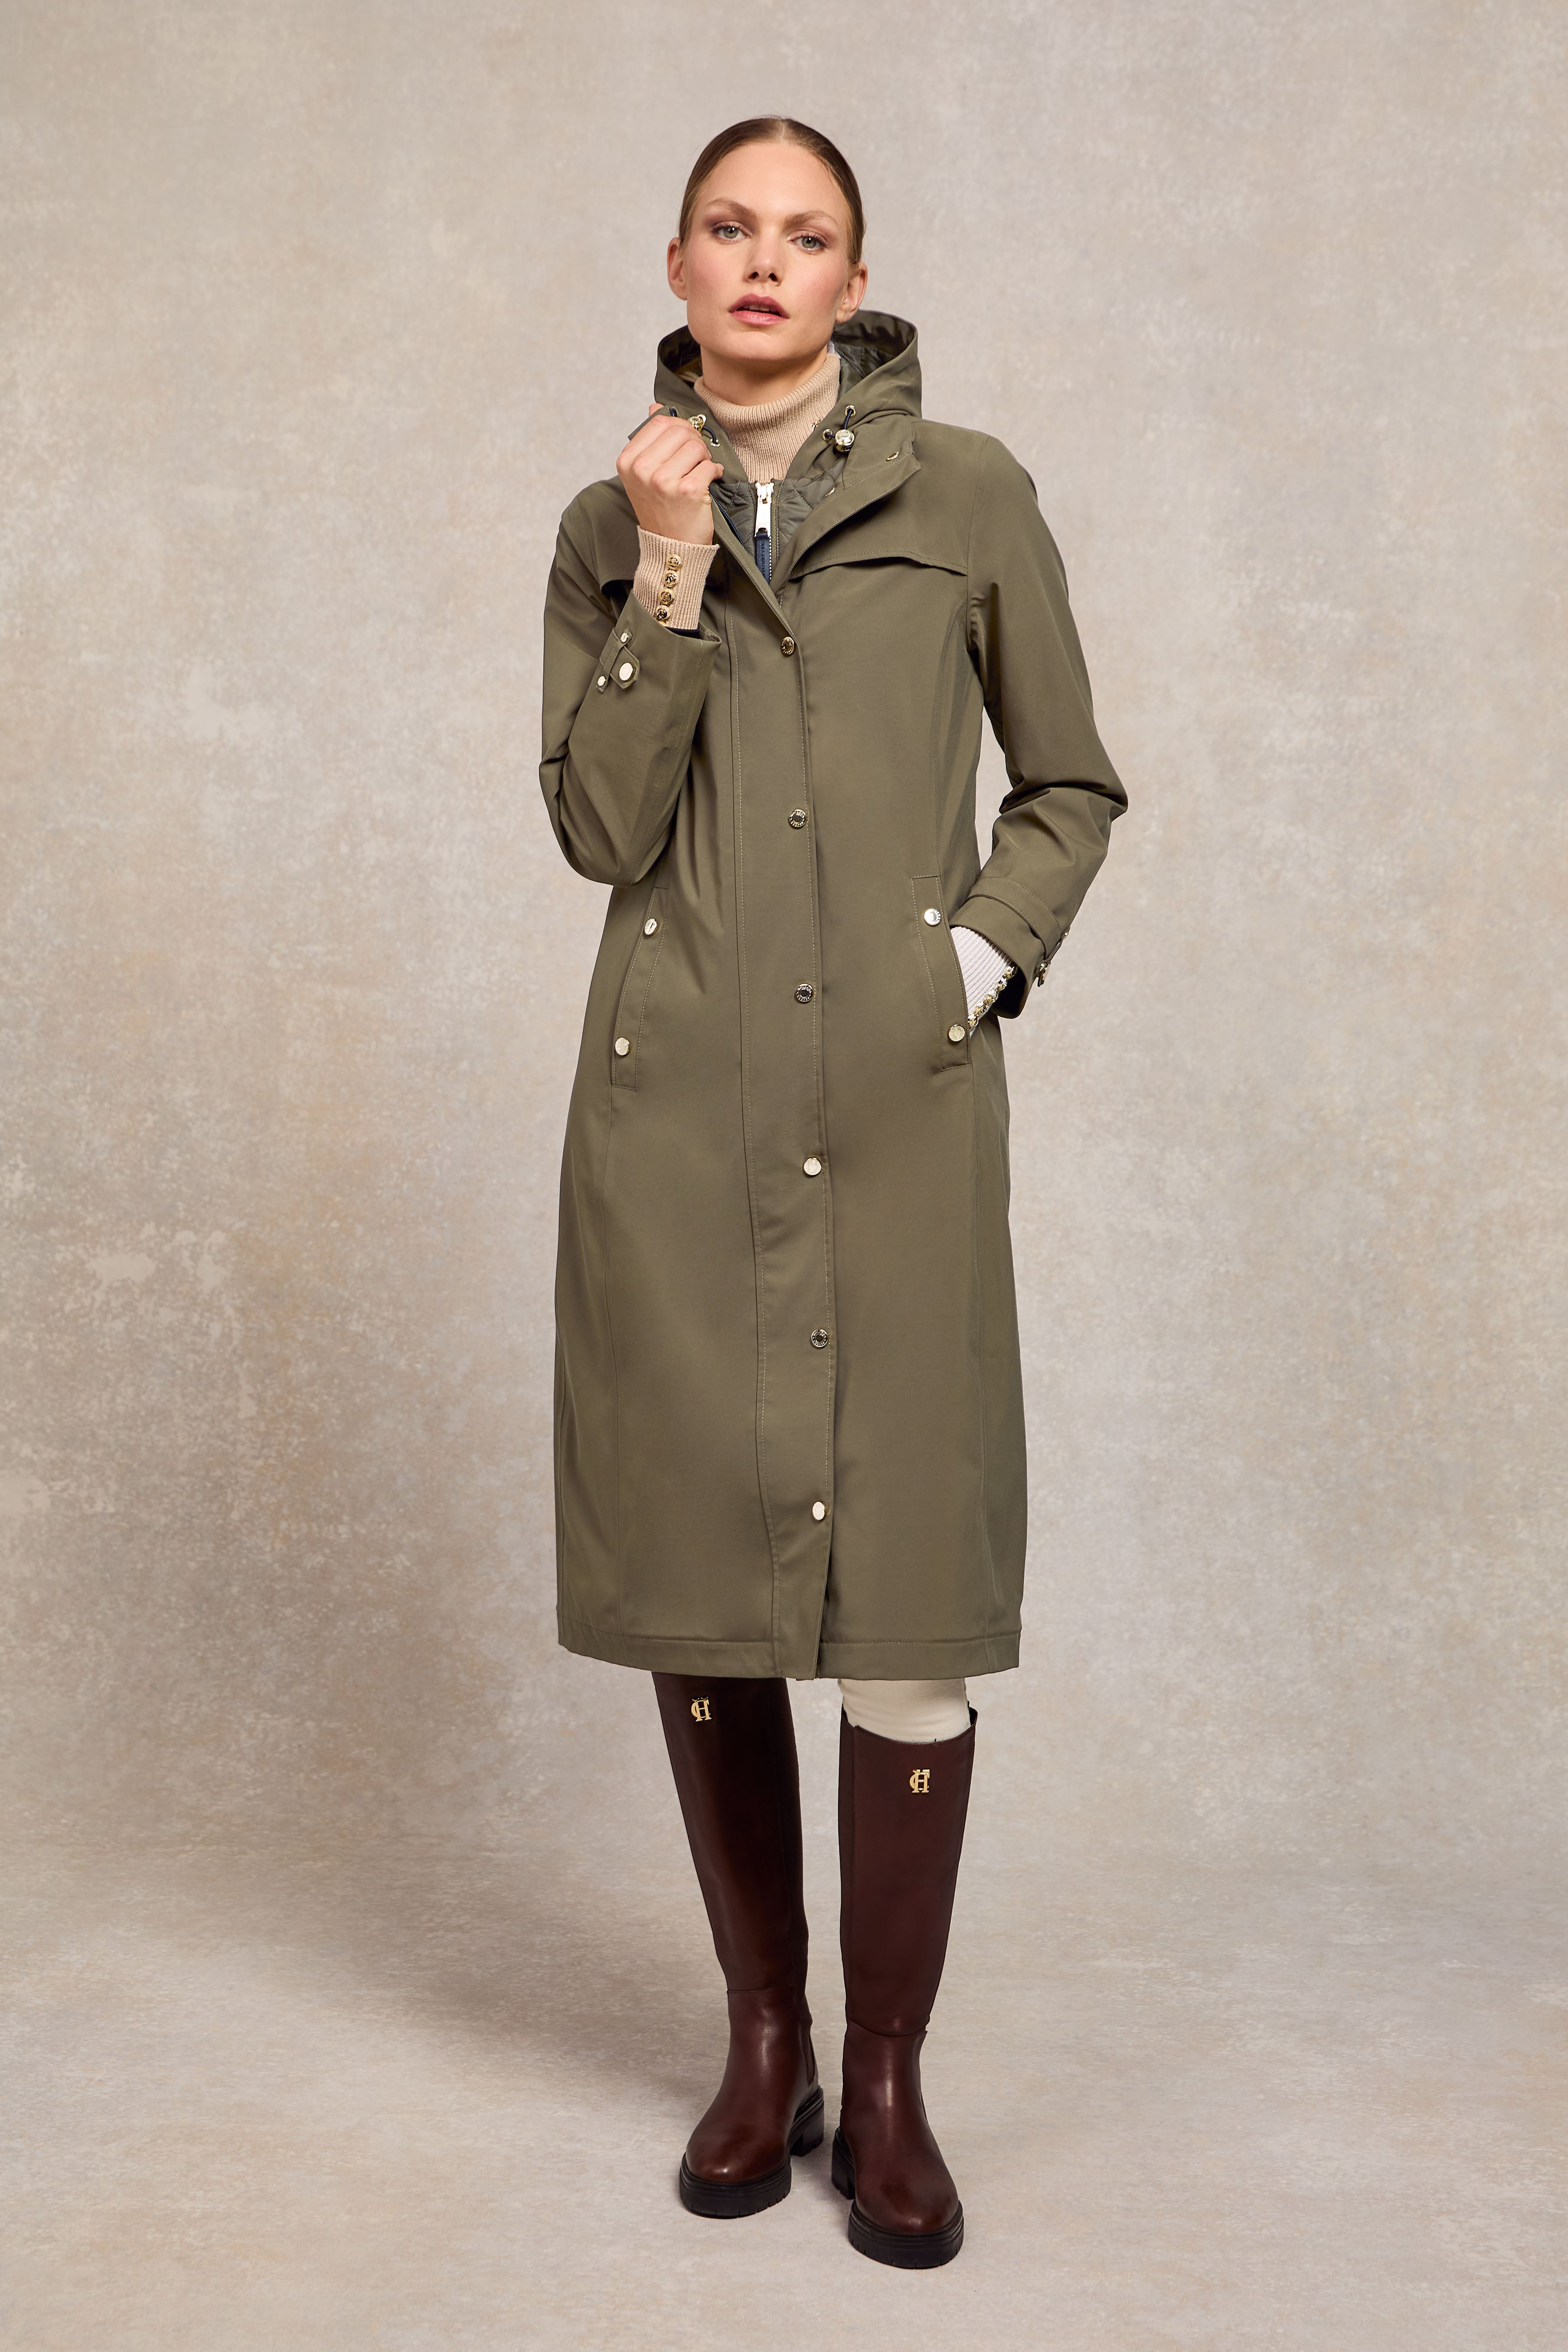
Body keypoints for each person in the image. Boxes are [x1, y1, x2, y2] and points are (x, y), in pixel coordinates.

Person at [539, 117, 1125, 2269]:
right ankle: (762, 2043)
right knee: (704, 1581)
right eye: (730, 227)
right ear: (677, 263)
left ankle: (885, 2081)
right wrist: (667, 573)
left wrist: (965, 965)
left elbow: (1068, 783)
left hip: (894, 1112)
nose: (764, 262)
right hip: (677, 1121)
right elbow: (601, 831)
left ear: (855, 281)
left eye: (807, 236)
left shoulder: (966, 497)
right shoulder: (609, 522)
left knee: (904, 1597)